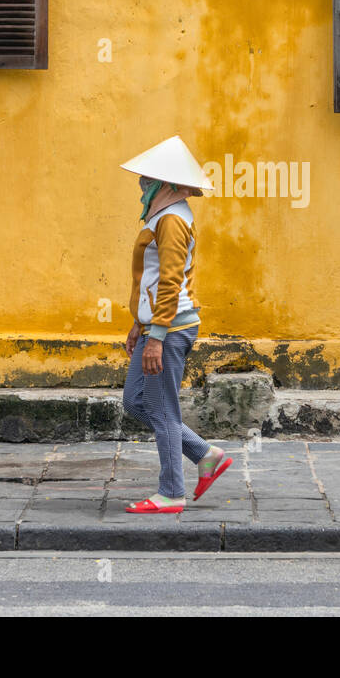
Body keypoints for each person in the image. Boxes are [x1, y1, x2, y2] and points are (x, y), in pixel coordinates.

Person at [119, 136, 232, 514]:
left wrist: (157, 337)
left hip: (170, 330)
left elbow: (170, 280)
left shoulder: (171, 220)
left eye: (147, 180)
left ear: (165, 185)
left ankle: (171, 493)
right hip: (157, 326)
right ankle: (205, 454)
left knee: (163, 409)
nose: (141, 186)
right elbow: (152, 279)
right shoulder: (166, 216)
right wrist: (140, 324)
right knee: (137, 401)